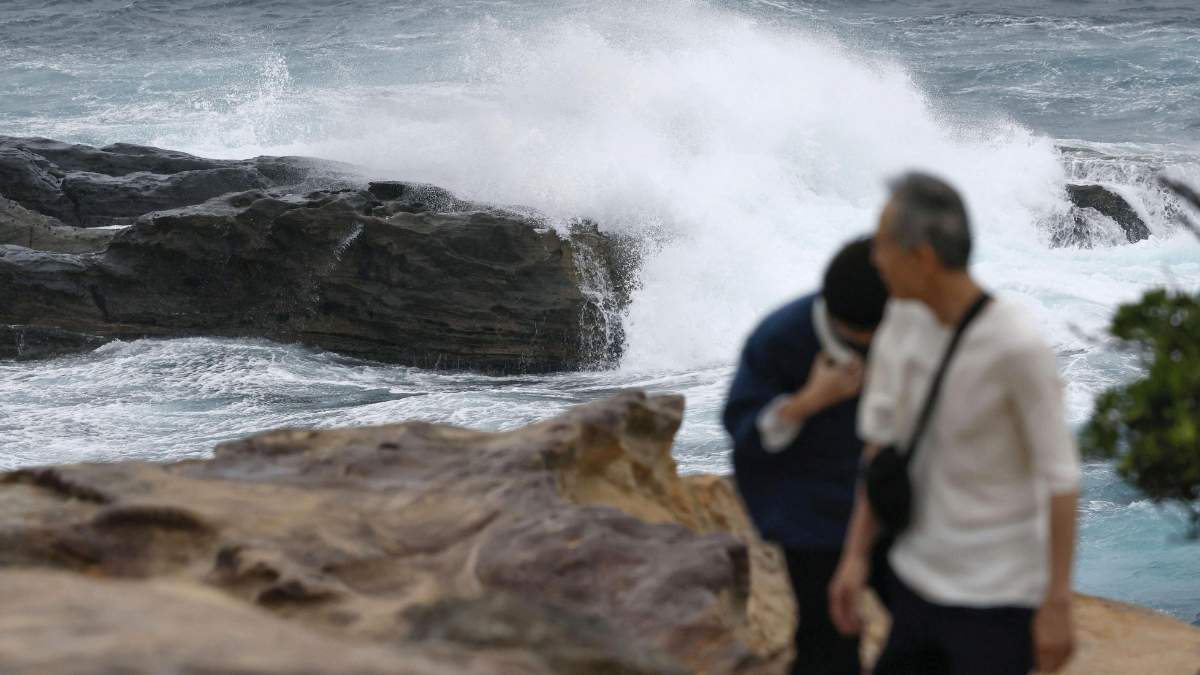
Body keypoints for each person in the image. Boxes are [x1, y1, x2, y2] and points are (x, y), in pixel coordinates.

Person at [828, 173, 1081, 675]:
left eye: (882, 245)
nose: (874, 258)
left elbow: (1062, 479)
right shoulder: (899, 322)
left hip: (998, 601)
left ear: (921, 258)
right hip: (915, 582)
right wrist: (855, 556)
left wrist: (1056, 604)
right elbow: (881, 445)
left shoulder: (1015, 346)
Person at [723, 237, 889, 675]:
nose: (871, 344)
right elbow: (745, 433)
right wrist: (811, 400)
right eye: (861, 336)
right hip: (805, 505)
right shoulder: (780, 336)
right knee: (829, 634)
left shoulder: (905, 323)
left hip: (885, 493)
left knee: (930, 616)